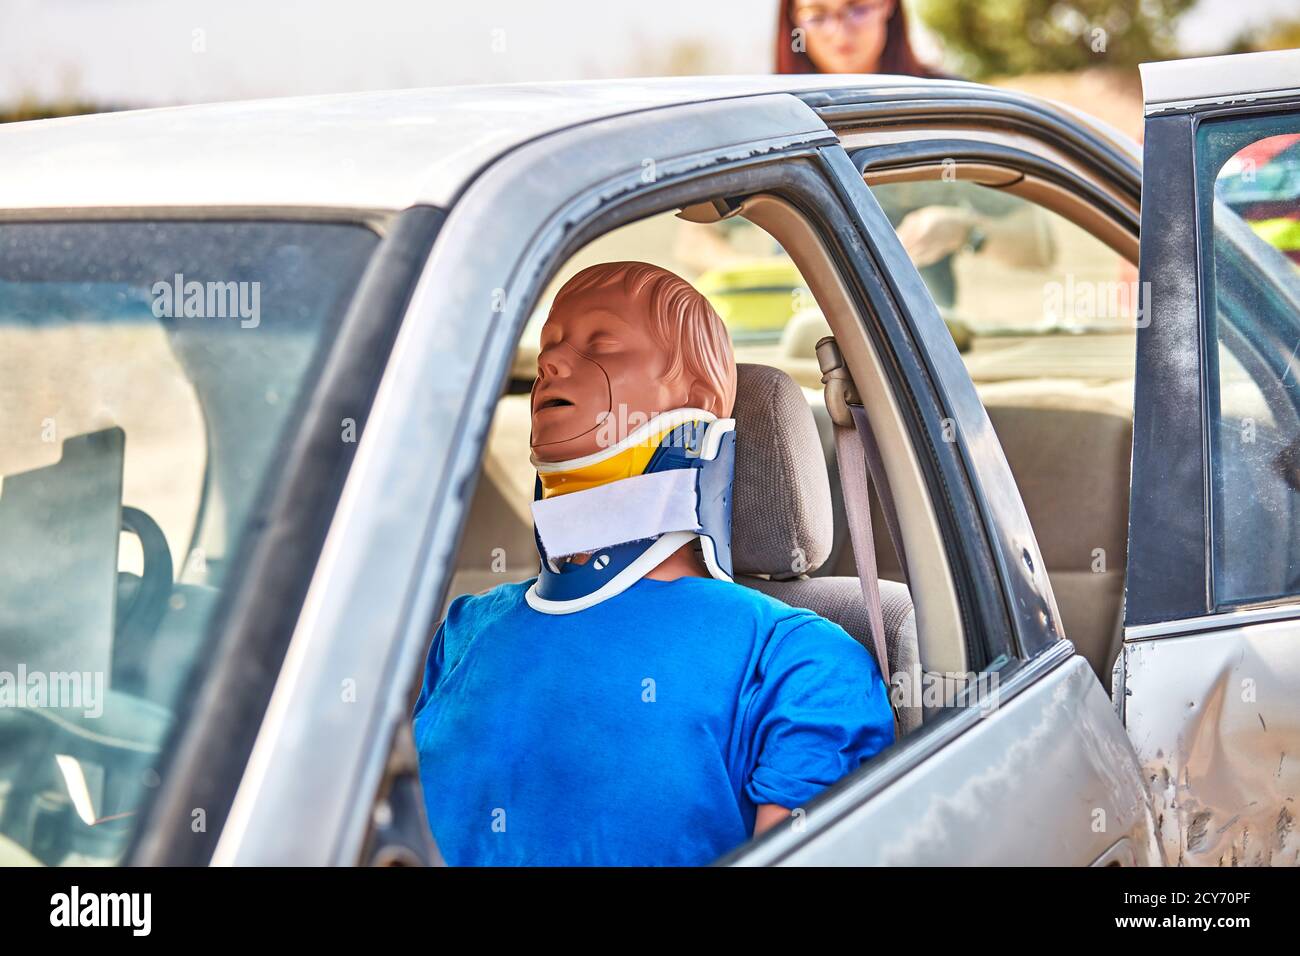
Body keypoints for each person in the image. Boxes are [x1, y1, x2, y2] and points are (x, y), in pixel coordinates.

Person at [413, 261, 894, 866]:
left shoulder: (800, 661)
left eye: (601, 344)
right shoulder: (462, 632)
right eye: (550, 348)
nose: (553, 365)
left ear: (696, 399)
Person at [776, 0, 1054, 324]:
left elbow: (1039, 246)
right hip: (793, 358)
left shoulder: (945, 110)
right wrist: (738, 269)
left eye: (858, 9)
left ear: (888, 8)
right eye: (818, 15)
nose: (840, 30)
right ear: (793, 20)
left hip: (925, 363)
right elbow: (703, 226)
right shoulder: (765, 116)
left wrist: (966, 229)